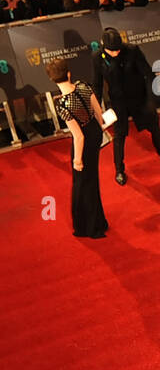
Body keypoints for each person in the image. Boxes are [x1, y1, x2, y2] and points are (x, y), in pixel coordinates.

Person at [91, 28, 160, 185]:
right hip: (118, 102)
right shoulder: (97, 58)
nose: (115, 53)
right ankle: (119, 169)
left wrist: (150, 100)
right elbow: (97, 84)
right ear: (103, 46)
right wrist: (96, 109)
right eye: (111, 51)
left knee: (154, 127)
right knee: (119, 136)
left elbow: (148, 74)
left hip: (139, 97)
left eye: (117, 50)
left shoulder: (132, 51)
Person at [47, 58, 109, 239]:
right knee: (92, 181)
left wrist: (77, 159)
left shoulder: (63, 104)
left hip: (84, 141)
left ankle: (89, 228)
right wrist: (100, 131)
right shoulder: (83, 86)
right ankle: (98, 223)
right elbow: (98, 111)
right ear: (68, 73)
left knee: (82, 185)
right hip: (95, 133)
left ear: (52, 79)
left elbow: (78, 136)